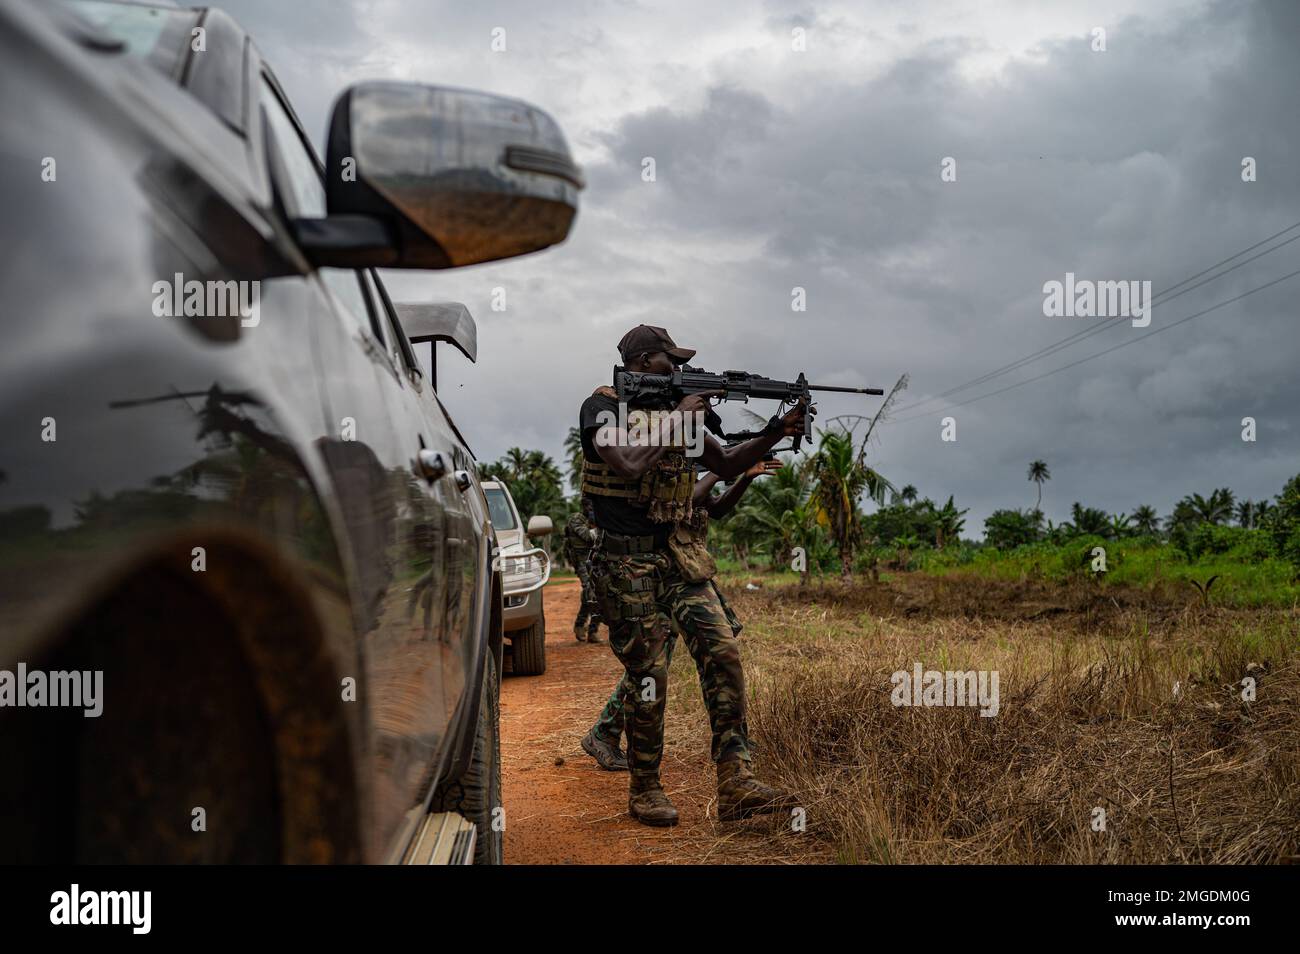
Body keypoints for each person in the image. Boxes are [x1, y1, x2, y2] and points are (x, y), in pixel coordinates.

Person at [576, 324, 807, 826]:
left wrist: (775, 431)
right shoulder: (602, 409)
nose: (678, 370)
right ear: (641, 364)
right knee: (649, 677)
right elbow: (627, 462)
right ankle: (645, 788)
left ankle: (736, 782)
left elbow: (723, 463)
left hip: (678, 559)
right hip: (626, 565)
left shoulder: (674, 420)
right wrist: (678, 416)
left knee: (723, 652)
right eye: (669, 360)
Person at [581, 457, 780, 770]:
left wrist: (744, 477)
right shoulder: (661, 472)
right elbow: (686, 499)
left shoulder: (689, 471)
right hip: (655, 575)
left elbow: (716, 509)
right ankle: (606, 733)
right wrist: (719, 470)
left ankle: (606, 731)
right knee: (650, 665)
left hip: (684, 571)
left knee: (661, 661)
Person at [563, 496, 604, 643]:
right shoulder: (576, 519)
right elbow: (588, 537)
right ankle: (580, 625)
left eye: (593, 507)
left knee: (599, 593)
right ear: (584, 507)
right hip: (581, 562)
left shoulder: (597, 520)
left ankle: (593, 631)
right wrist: (599, 527)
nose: (591, 510)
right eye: (589, 507)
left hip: (596, 561)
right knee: (589, 593)